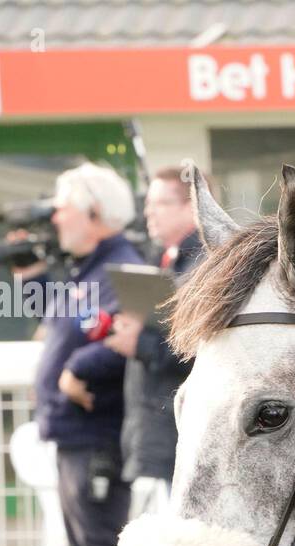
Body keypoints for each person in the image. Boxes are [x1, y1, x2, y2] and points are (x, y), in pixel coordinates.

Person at [26, 162, 143, 546]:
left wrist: (80, 367)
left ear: (95, 213)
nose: (55, 217)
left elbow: (142, 337)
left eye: (64, 206)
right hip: (74, 434)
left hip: (98, 434)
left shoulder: (124, 268)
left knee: (103, 544)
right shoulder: (88, 271)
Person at [102, 165, 203, 517]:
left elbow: (199, 347)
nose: (148, 212)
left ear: (190, 207)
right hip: (151, 430)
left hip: (174, 435)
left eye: (159, 203)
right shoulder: (162, 258)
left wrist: (140, 345)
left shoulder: (203, 264)